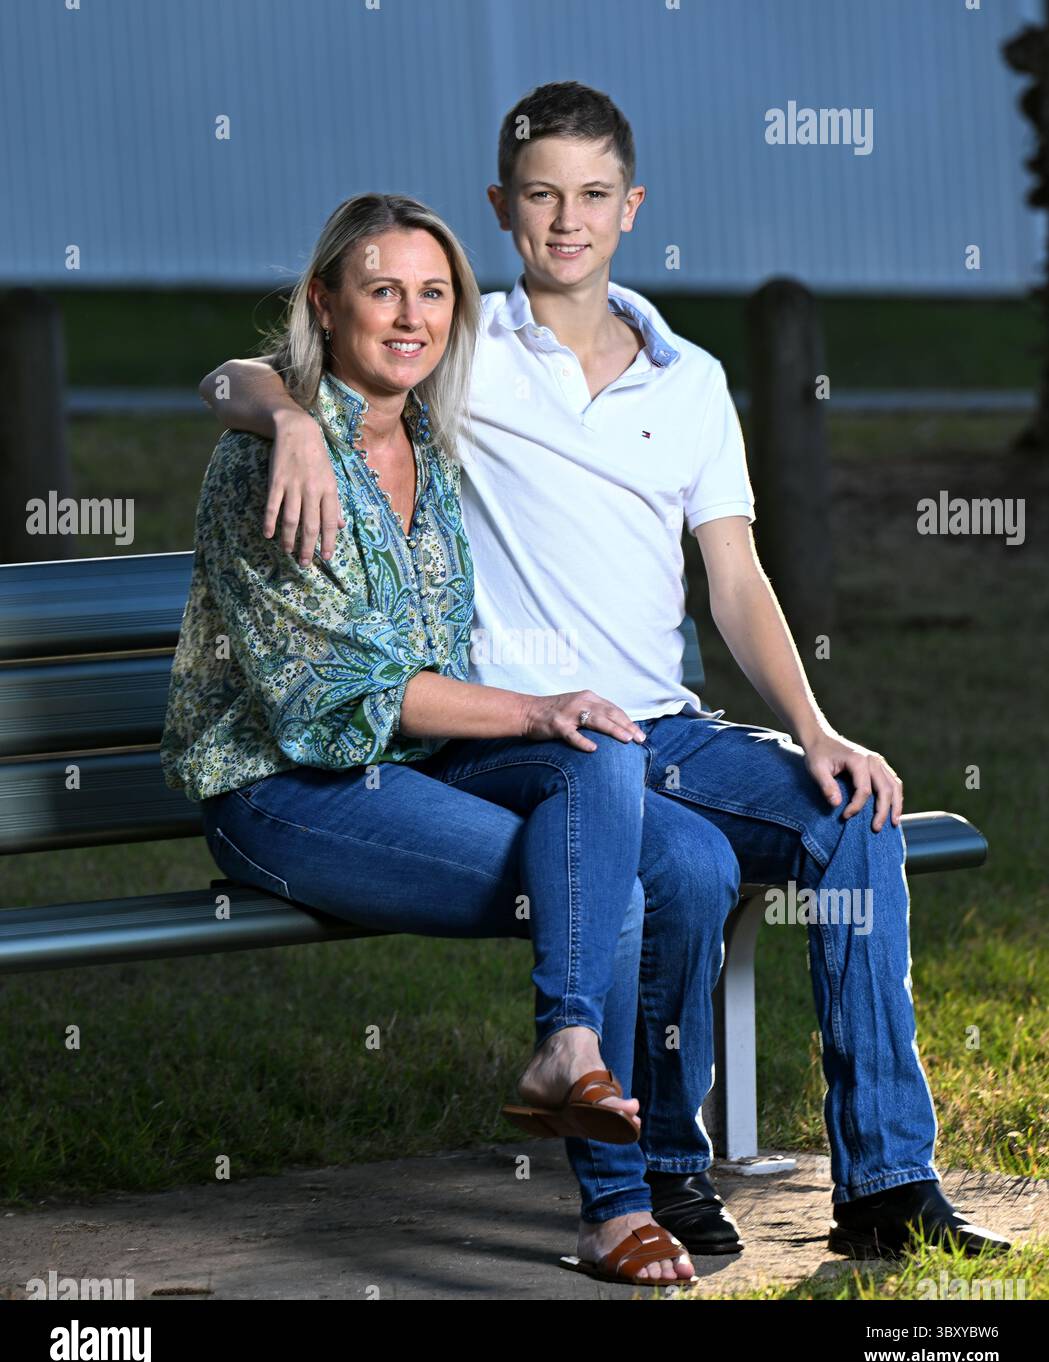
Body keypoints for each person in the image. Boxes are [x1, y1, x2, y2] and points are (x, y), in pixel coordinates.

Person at [196, 81, 1014, 1265]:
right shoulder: (458, 348)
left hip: (663, 728)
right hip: (512, 741)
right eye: (539, 197)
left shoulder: (690, 384)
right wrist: (292, 421)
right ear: (502, 207)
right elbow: (254, 371)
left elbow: (732, 579)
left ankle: (886, 1183)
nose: (565, 221)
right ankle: (662, 1173)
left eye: (590, 196)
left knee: (857, 819)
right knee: (672, 867)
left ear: (630, 207)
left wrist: (816, 727)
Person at [163, 190, 742, 1288]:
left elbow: (232, 379)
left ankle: (596, 1078)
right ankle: (612, 1204)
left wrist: (560, 711)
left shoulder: (433, 428)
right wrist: (286, 419)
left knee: (610, 760)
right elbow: (341, 699)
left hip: (417, 763)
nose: (410, 316)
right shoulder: (268, 464)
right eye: (382, 290)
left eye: (434, 293)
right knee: (607, 888)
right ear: (324, 306)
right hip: (288, 787)